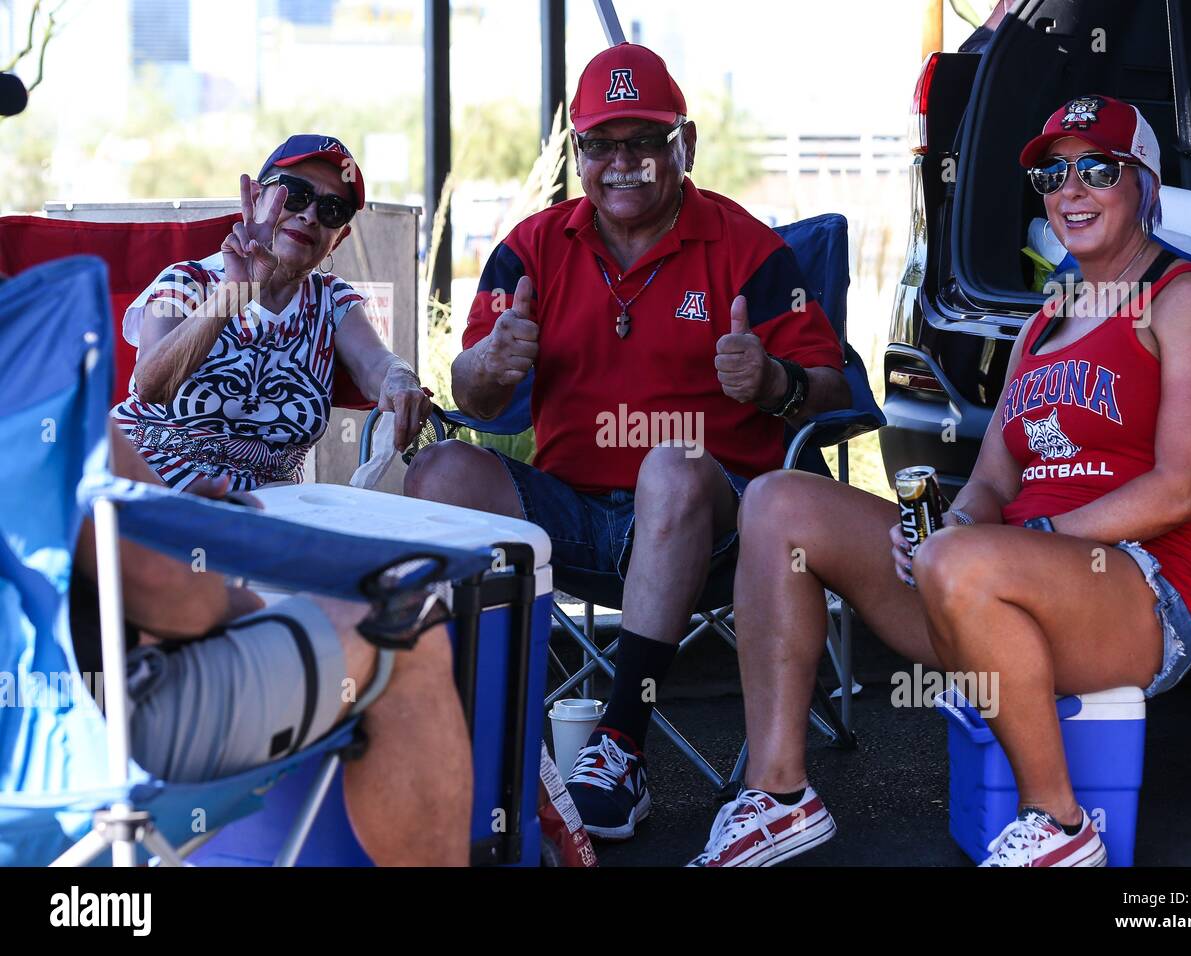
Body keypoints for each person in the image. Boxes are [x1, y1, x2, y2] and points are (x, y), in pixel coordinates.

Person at [689, 95, 1191, 866]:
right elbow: (991, 479)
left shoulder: (1189, 301)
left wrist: (1016, 543)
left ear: (1145, 183)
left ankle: (1059, 825)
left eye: (1097, 168)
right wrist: (951, 528)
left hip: (1140, 598)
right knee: (776, 500)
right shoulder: (1042, 322)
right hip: (998, 587)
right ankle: (781, 795)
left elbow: (1181, 489)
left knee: (963, 558)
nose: (1070, 190)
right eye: (1052, 175)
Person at [403, 43, 850, 840]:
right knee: (438, 470)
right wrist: (487, 366)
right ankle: (471, 735)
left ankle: (620, 744)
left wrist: (775, 381)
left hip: (711, 527)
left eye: (644, 141)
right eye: (601, 144)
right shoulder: (532, 247)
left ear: (685, 145)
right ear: (576, 150)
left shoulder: (746, 248)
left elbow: (832, 390)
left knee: (671, 466)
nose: (622, 163)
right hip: (570, 515)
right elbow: (473, 396)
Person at [69, 425, 472, 866]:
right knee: (406, 624)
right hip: (87, 740)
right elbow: (174, 593)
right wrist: (195, 552)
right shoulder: (40, 374)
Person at [112, 135, 431, 491]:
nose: (310, 216)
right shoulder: (188, 281)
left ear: (339, 238)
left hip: (269, 504)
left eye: (331, 210)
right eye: (295, 195)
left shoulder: (331, 300)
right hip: (150, 480)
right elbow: (151, 386)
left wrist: (401, 377)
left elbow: (376, 364)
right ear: (255, 198)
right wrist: (233, 295)